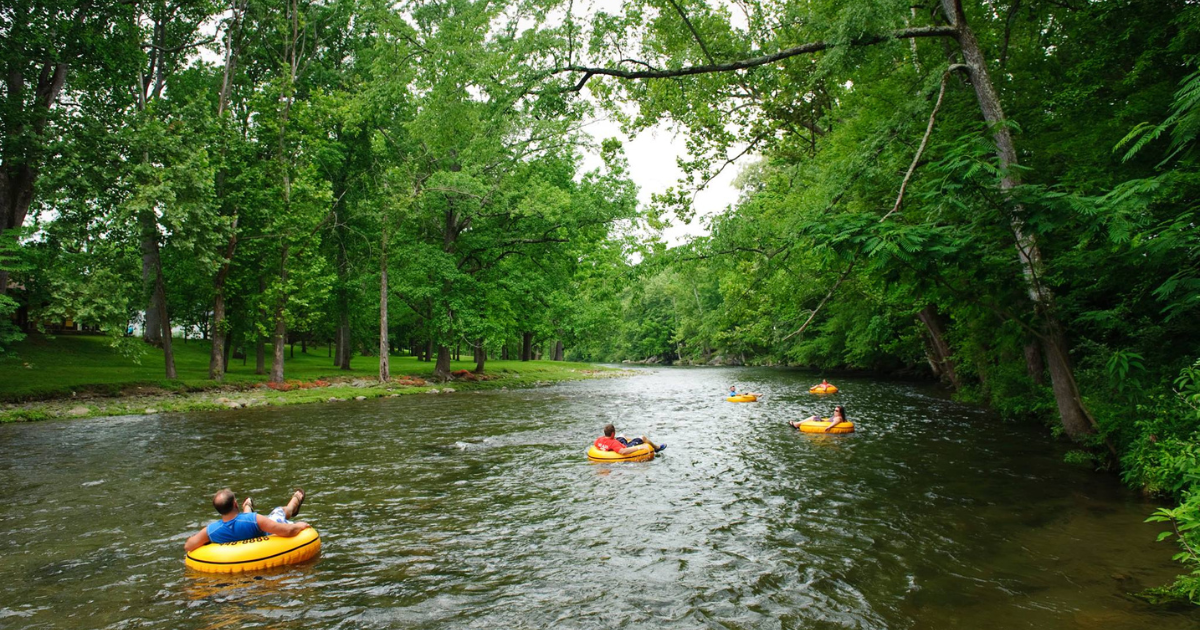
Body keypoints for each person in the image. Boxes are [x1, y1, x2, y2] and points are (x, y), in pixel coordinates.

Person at [184, 488, 310, 551]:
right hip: (263, 537)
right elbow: (287, 531)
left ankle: (247, 506)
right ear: (235, 504)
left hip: (241, 529)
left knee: (245, 519)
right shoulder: (255, 520)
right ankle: (294, 502)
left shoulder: (211, 530)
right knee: (278, 512)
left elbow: (188, 546)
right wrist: (299, 526)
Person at [594, 423, 665, 453]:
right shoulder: (614, 443)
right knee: (642, 437)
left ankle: (631, 440)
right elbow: (623, 451)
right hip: (626, 447)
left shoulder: (599, 440)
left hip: (613, 442)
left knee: (622, 435)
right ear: (613, 433)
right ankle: (657, 448)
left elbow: (596, 445)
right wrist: (640, 448)